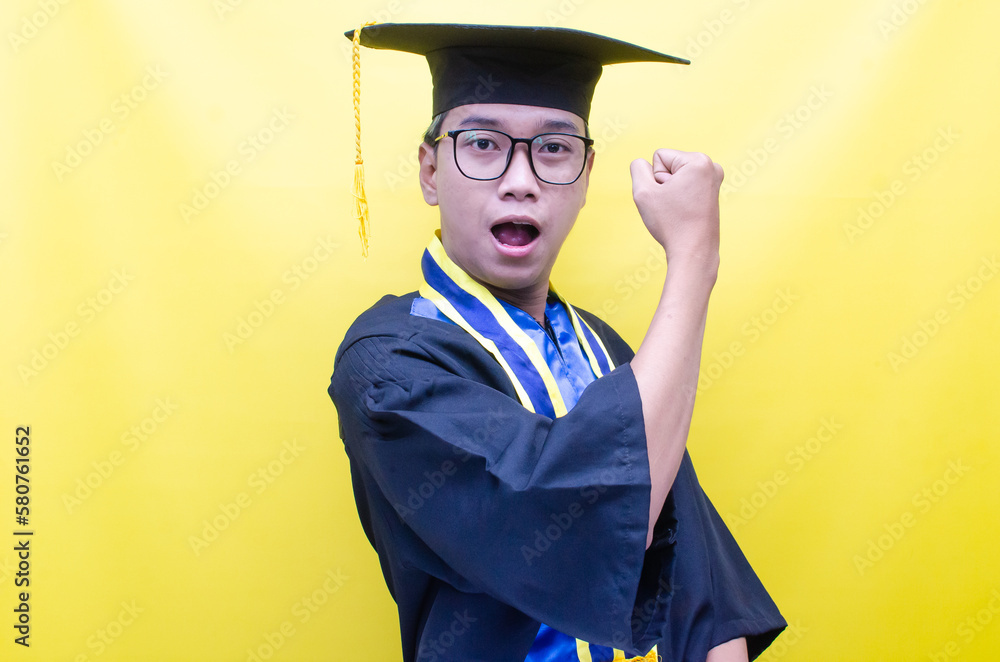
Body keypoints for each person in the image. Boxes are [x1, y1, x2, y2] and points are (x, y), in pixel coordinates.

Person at [330, 22, 786, 662]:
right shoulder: (391, 364)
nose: (520, 180)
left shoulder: (606, 350)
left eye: (553, 148)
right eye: (483, 144)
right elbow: (584, 522)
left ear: (586, 173)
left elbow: (699, 579)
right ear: (430, 172)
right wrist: (693, 262)